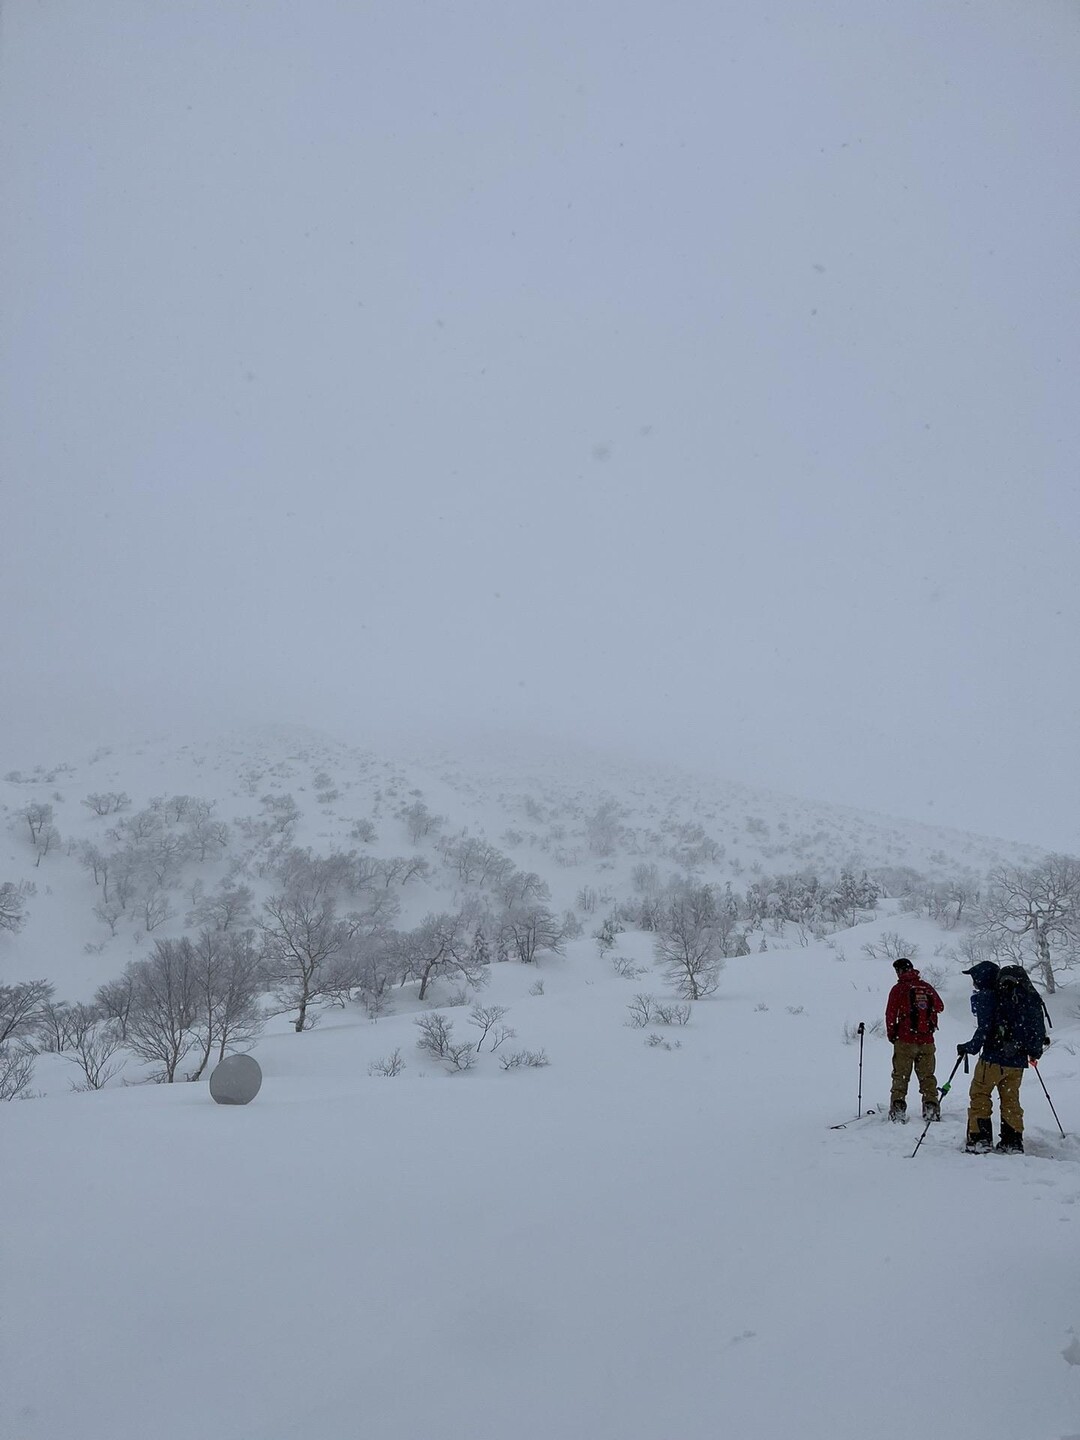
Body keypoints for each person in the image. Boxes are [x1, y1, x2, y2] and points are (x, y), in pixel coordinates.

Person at [958, 960, 1049, 1154]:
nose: (974, 983)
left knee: (980, 1095)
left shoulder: (989, 997)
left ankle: (979, 1140)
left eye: (975, 979)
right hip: (1017, 1060)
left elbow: (984, 1029)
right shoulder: (1021, 995)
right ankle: (1013, 1141)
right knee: (1010, 1100)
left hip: (993, 1059)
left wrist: (969, 1048)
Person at [885, 958, 944, 1123]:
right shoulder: (925, 987)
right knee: (927, 1076)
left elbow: (890, 1014)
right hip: (927, 1041)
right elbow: (940, 1006)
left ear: (899, 971)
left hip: (905, 1040)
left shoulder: (898, 989)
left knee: (901, 1076)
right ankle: (931, 1108)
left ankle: (897, 1110)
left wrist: (892, 1035)